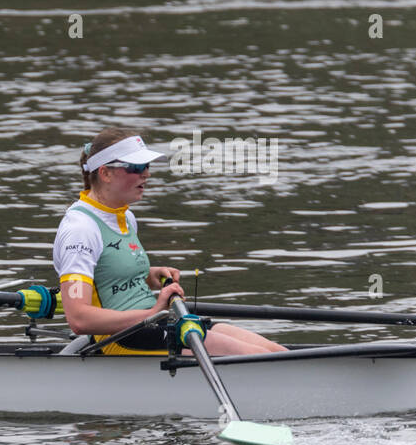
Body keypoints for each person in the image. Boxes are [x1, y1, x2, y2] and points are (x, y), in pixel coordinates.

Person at [53, 127, 286, 356]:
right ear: (105, 173)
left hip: (153, 324)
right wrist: (155, 311)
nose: (146, 174)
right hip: (122, 339)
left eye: (147, 166)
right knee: (254, 355)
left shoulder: (124, 216)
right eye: (136, 167)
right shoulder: (80, 229)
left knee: (276, 351)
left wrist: (150, 274)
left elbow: (105, 275)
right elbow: (79, 319)